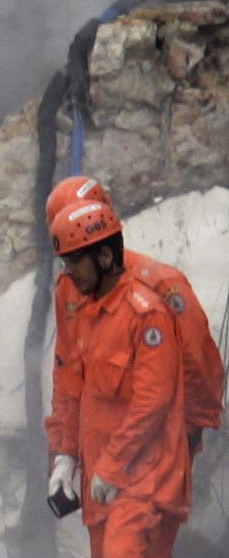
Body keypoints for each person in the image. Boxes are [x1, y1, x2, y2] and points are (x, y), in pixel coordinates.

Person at [42, 185, 192, 558]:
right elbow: (67, 379)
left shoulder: (145, 312)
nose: (69, 275)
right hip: (102, 467)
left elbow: (152, 402)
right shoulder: (78, 305)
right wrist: (65, 455)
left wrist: (109, 466)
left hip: (145, 467)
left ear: (104, 255)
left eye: (75, 262)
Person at [49, 174, 224, 481]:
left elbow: (197, 365)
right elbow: (67, 373)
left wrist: (183, 438)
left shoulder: (160, 287)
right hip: (99, 449)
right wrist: (65, 452)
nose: (71, 268)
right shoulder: (67, 289)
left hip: (153, 451)